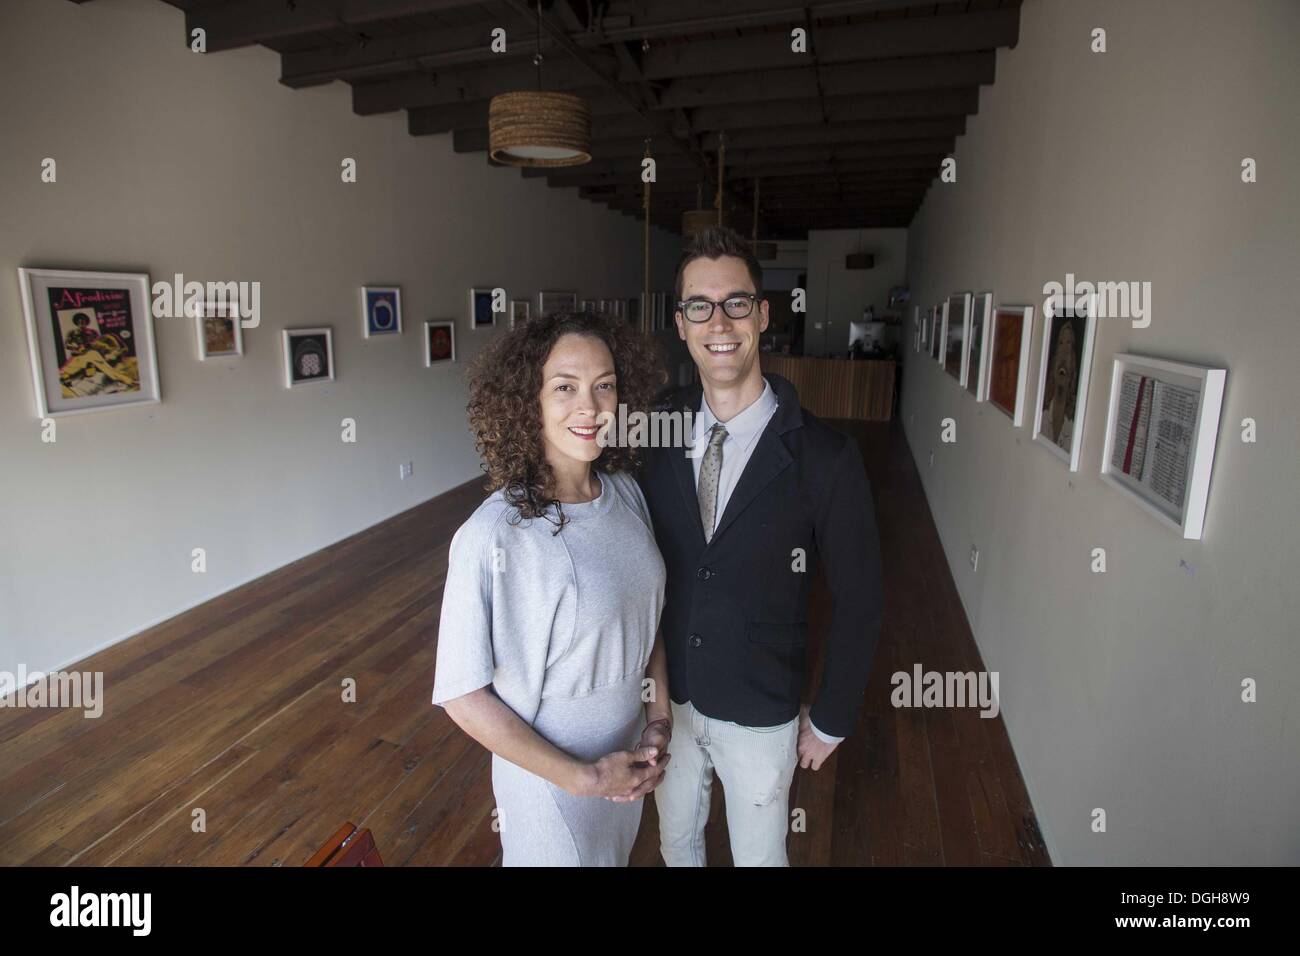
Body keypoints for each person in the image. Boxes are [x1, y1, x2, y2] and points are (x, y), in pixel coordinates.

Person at [638, 226, 884, 866]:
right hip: (673, 704)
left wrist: (831, 718)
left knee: (760, 858)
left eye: (736, 303)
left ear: (764, 315)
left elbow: (861, 598)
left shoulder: (827, 457)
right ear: (682, 324)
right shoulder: (653, 429)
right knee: (677, 845)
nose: (719, 321)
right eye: (700, 306)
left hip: (762, 708)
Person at [431, 309, 673, 866]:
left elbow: (649, 619)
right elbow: (461, 696)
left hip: (626, 765)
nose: (589, 407)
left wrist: (658, 721)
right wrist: (584, 777)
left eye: (604, 386)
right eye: (565, 387)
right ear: (527, 402)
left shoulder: (626, 495)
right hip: (553, 786)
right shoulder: (493, 535)